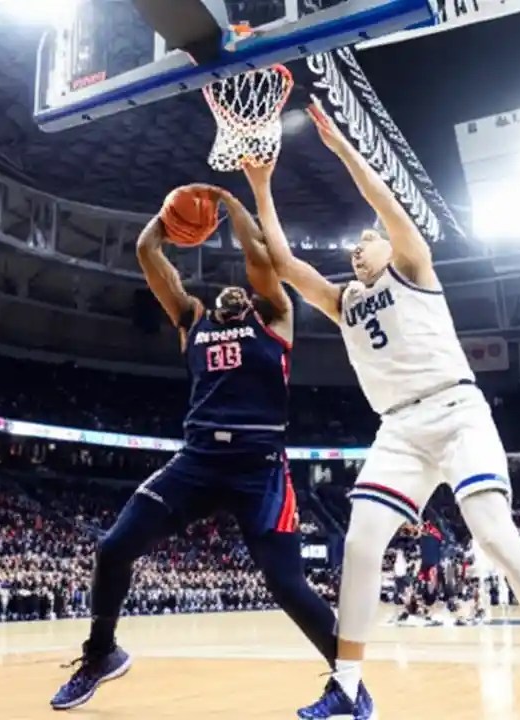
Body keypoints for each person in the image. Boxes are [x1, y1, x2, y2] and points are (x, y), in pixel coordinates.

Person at [241, 98, 520, 720]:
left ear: (388, 248)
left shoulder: (413, 267)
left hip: (456, 411)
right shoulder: (343, 302)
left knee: (496, 539)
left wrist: (341, 150)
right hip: (399, 429)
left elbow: (385, 202)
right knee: (361, 546)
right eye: (354, 248)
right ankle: (349, 686)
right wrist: (261, 183)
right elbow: (282, 263)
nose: (356, 252)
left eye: (365, 243)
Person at [49, 187, 346, 710]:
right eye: (224, 289)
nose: (234, 290)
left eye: (243, 289)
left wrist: (228, 201)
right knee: (113, 548)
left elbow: (259, 258)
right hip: (197, 462)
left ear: (254, 299)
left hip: (260, 469)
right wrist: (175, 213)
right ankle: (101, 654)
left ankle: (349, 683)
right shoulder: (192, 320)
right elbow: (147, 252)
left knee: (287, 584)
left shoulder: (275, 316)